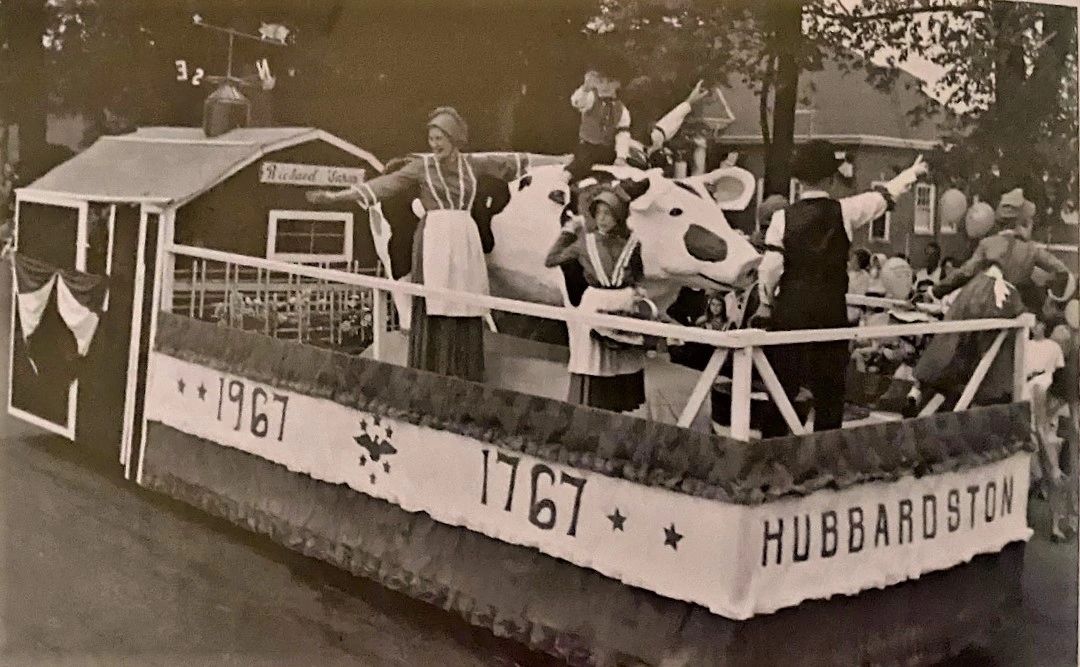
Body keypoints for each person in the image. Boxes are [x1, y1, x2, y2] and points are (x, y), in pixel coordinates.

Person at [307, 107, 560, 382]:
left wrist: (563, 160)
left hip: (465, 237)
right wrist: (336, 198)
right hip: (436, 237)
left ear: (454, 138)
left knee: (465, 303)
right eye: (431, 139)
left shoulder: (472, 164)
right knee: (436, 301)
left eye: (440, 138)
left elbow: (514, 162)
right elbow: (385, 185)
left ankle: (465, 371)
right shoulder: (422, 167)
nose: (435, 144)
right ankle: (433, 371)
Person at [754, 141, 927, 437]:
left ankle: (772, 454)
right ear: (831, 179)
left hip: (791, 313)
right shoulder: (845, 211)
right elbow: (882, 197)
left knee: (781, 386)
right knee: (829, 393)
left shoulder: (782, 218)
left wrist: (766, 301)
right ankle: (825, 458)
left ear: (799, 179)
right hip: (829, 312)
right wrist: (911, 173)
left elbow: (770, 268)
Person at [544, 185, 647, 413]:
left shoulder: (632, 243)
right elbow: (551, 260)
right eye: (598, 213)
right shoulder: (585, 243)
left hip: (623, 303)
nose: (602, 219)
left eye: (608, 214)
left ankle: (617, 410)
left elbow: (638, 272)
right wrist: (568, 231)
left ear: (618, 216)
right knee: (595, 361)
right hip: (596, 304)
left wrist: (637, 290)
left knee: (621, 359)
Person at [931, 188, 1073, 312]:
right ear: (1022, 222)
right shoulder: (1031, 250)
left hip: (983, 309)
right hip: (1015, 312)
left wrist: (935, 291)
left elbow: (964, 273)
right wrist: (1052, 294)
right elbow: (1062, 270)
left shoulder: (988, 244)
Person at [558, 64, 631, 189]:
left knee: (614, 168)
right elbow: (577, 102)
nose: (605, 85)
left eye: (610, 81)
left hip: (606, 148)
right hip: (587, 146)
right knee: (581, 163)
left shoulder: (621, 109)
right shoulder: (591, 98)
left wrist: (621, 157)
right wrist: (586, 88)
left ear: (618, 84)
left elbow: (622, 134)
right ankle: (560, 184)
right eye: (601, 81)